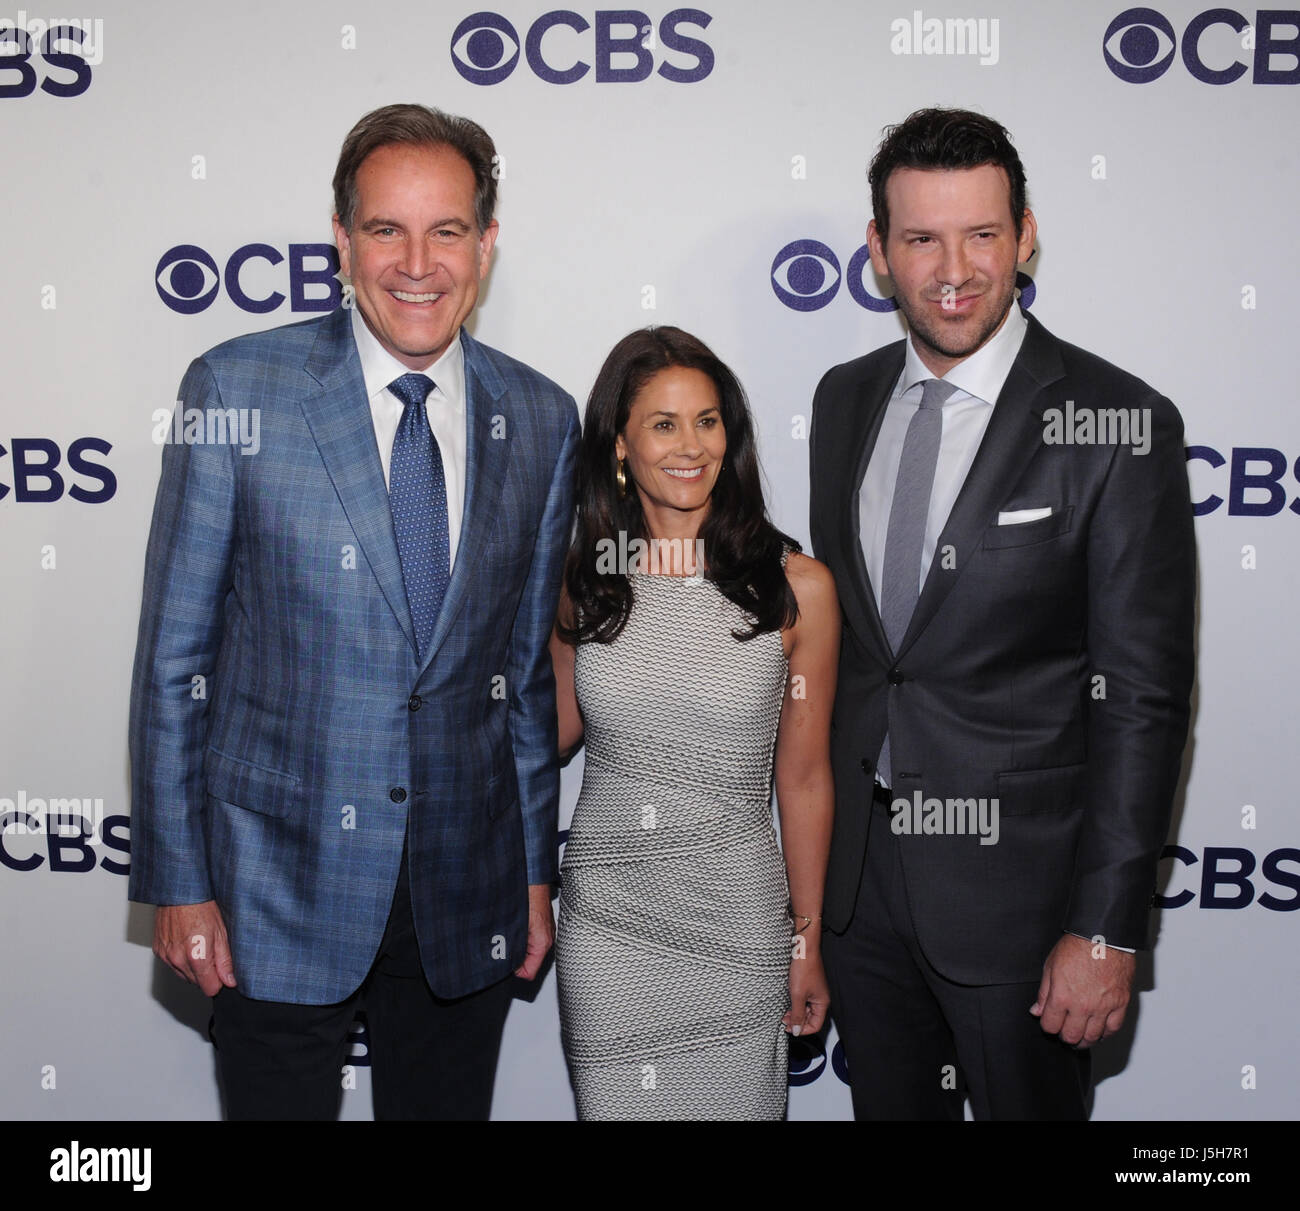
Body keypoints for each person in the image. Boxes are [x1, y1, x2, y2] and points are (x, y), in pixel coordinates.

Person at [128, 103, 579, 1120]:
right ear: (341, 240)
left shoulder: (542, 418)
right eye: (385, 229)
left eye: (447, 230)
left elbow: (521, 684)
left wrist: (532, 879)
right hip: (270, 886)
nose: (416, 262)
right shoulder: (237, 387)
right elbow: (173, 662)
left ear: (487, 243)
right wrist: (180, 881)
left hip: (462, 889)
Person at [809, 108, 1195, 1120]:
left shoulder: (1115, 424)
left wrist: (1106, 929)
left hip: (1024, 908)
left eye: (981, 233)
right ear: (877, 254)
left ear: (1025, 234)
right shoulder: (843, 400)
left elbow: (1143, 701)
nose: (954, 268)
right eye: (921, 238)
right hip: (860, 893)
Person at [549, 326, 838, 1120]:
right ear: (620, 444)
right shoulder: (589, 581)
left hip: (738, 918)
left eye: (707, 421)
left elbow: (806, 779)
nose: (691, 446)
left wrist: (804, 939)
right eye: (664, 423)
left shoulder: (797, 587)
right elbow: (548, 734)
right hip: (610, 927)